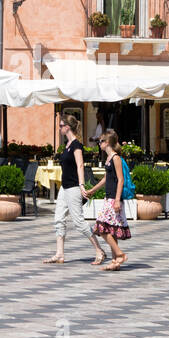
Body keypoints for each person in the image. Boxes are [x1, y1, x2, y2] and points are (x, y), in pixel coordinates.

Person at [43, 114, 105, 266]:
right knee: (58, 219)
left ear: (67, 127)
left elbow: (79, 165)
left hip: (73, 188)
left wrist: (82, 185)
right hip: (64, 188)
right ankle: (59, 253)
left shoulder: (77, 145)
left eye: (60, 125)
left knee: (79, 222)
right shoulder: (67, 145)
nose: (59, 128)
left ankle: (99, 250)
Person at [84, 129, 130, 271]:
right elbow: (106, 179)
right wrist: (93, 190)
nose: (99, 143)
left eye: (101, 141)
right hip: (108, 197)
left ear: (108, 142)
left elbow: (120, 180)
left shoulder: (116, 158)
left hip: (113, 199)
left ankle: (120, 254)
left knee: (101, 228)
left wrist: (117, 200)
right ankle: (115, 262)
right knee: (112, 230)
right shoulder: (108, 158)